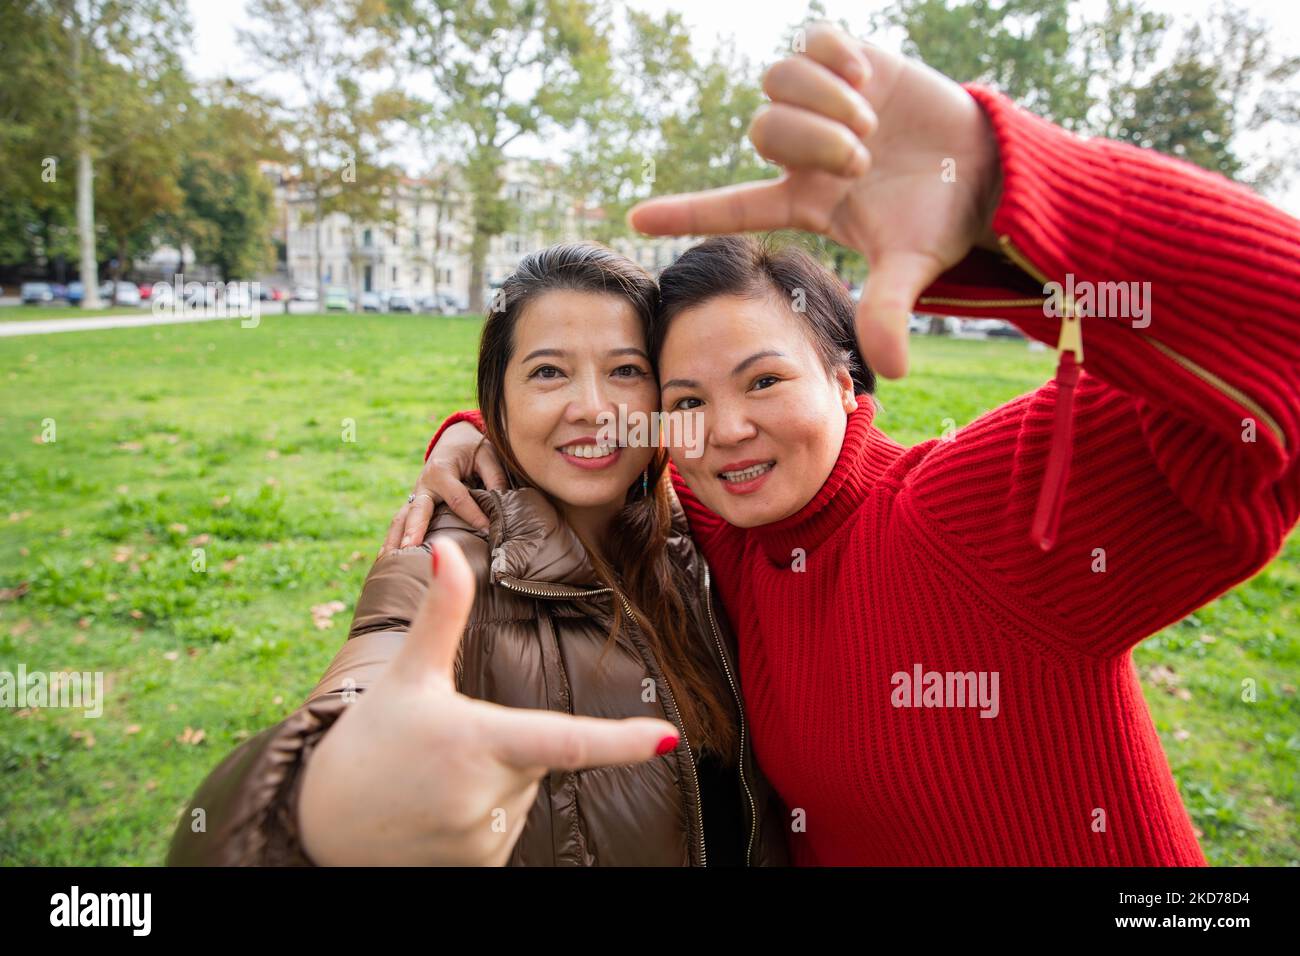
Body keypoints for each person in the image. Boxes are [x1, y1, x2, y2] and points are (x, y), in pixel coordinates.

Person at [407, 24, 1300, 865]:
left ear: (845, 378)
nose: (724, 431)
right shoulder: (723, 535)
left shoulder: (971, 513)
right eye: (686, 399)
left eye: (764, 381)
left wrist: (1004, 185)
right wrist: (482, 433)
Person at [166, 242, 789, 866]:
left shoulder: (704, 523)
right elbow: (370, 670)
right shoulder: (439, 564)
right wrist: (320, 803)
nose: (595, 409)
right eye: (548, 372)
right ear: (500, 402)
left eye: (626, 370)